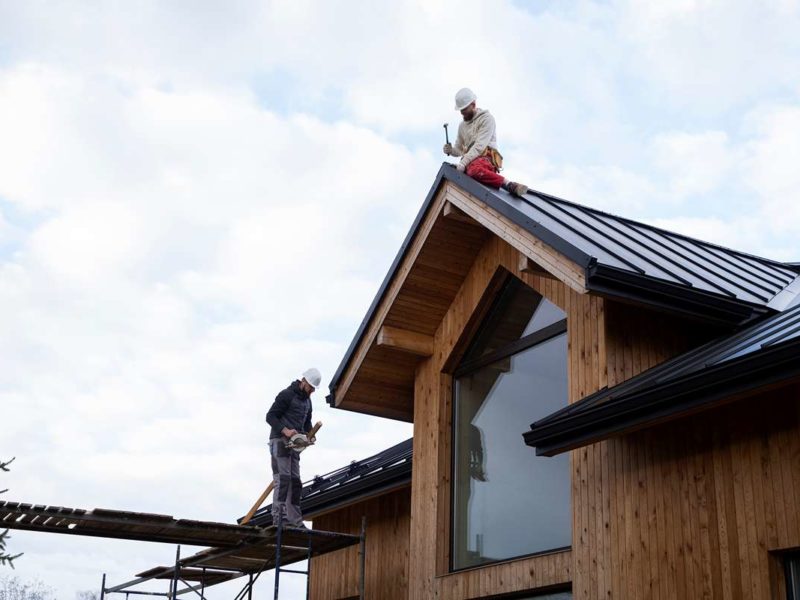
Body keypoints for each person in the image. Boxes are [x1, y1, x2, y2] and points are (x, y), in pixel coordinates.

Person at [443, 88, 528, 197]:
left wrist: (463, 163)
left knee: (474, 171)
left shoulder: (487, 119)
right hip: (470, 161)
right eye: (461, 110)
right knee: (457, 175)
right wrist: (451, 150)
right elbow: (459, 149)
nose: (462, 113)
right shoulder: (462, 126)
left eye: (464, 109)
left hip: (485, 158)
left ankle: (509, 184)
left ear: (473, 105)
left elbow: (479, 146)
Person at [265, 367, 320, 528]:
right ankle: (279, 518)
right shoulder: (286, 395)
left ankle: (295, 520)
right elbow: (270, 416)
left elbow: (307, 422)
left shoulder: (307, 402)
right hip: (279, 441)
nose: (311, 391)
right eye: (310, 387)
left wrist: (310, 435)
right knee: (283, 479)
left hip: (295, 445)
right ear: (303, 382)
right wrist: (286, 430)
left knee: (295, 481)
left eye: (313, 389)